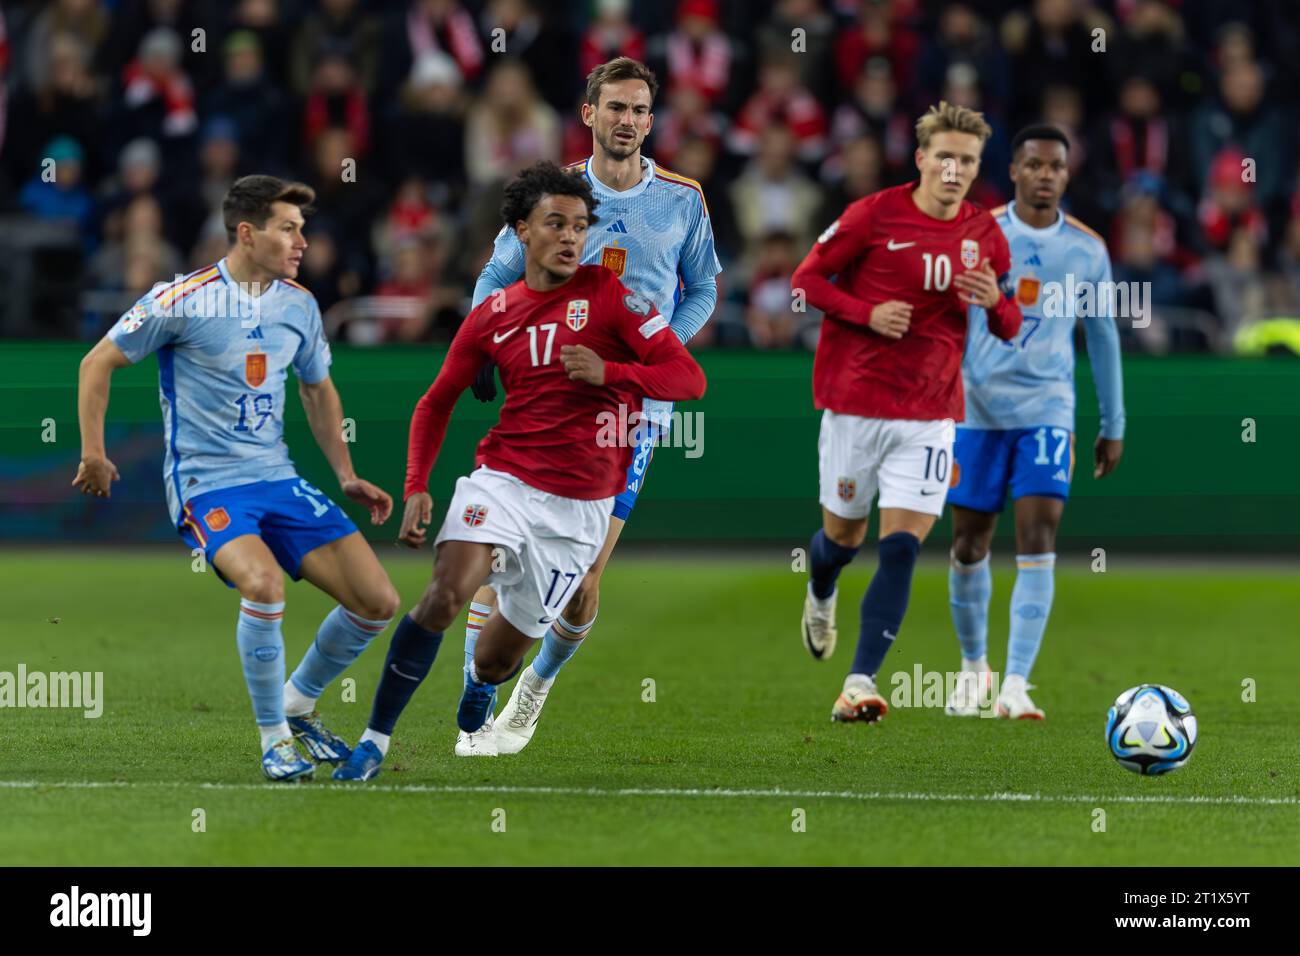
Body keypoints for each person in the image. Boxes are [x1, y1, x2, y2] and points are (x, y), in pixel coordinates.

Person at [333, 161, 706, 781]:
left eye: (580, 226)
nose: (570, 237)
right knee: (444, 593)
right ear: (520, 232)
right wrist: (417, 486)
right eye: (555, 224)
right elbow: (435, 402)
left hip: (578, 512)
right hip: (502, 482)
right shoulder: (493, 313)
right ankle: (373, 741)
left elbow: (688, 377)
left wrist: (613, 374)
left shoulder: (613, 297)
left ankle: (484, 682)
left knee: (498, 658)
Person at [73, 175, 400, 781]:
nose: (303, 240)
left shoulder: (299, 304)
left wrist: (346, 473)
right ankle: (274, 738)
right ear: (247, 234)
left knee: (378, 601)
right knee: (264, 584)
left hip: (278, 479)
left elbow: (317, 388)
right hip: (208, 485)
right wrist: (94, 453)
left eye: (303, 228)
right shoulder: (182, 299)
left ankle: (298, 703)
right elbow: (98, 362)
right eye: (289, 228)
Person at [459, 56, 720, 756]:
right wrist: (486, 341)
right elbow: (495, 274)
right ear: (589, 114)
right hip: (547, 397)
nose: (628, 121)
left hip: (628, 413)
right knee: (498, 553)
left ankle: (531, 693)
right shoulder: (558, 195)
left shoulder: (683, 198)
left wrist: (653, 353)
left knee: (580, 582)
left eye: (640, 110)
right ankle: (477, 686)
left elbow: (702, 290)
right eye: (616, 108)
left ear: (651, 120)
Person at [791, 101, 1022, 724]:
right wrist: (865, 313)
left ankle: (858, 682)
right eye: (944, 157)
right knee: (842, 540)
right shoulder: (873, 215)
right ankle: (821, 587)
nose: (954, 170)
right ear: (921, 159)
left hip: (929, 413)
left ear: (977, 168)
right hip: (855, 406)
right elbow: (806, 282)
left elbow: (1010, 323)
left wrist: (996, 300)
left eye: (967, 160)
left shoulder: (984, 233)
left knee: (900, 548)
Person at [945, 125, 1125, 720]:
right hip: (976, 409)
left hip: (1048, 408)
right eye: (1034, 165)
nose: (1046, 175)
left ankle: (1017, 683)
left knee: (1038, 533)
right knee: (970, 541)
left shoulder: (1087, 249)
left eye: (1056, 167)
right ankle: (975, 669)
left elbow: (1101, 336)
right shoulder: (979, 233)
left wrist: (1112, 420)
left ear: (1067, 176)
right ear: (1015, 171)